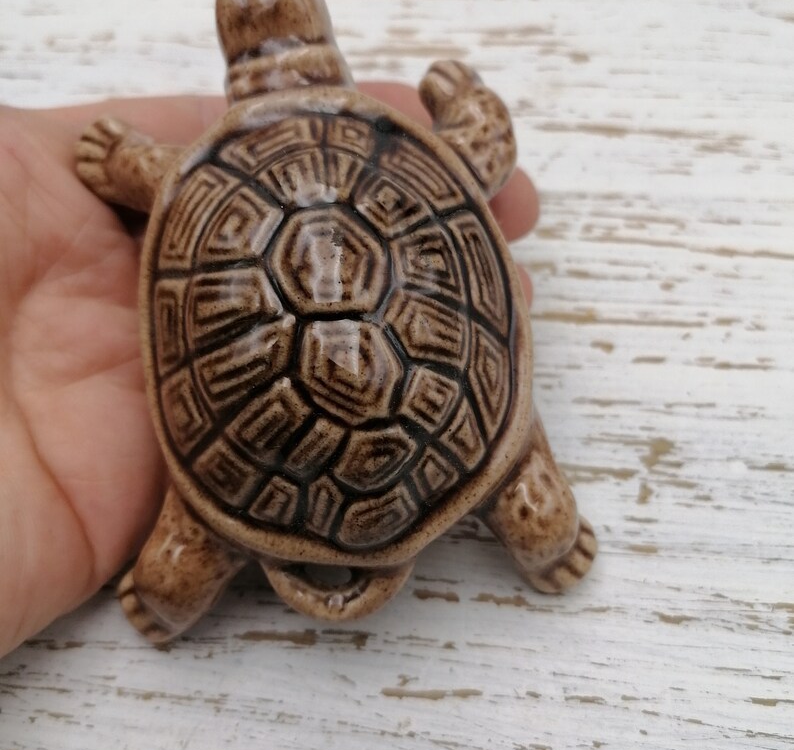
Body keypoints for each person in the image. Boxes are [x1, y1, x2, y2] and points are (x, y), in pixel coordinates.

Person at [0, 84, 539, 659]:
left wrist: (120, 161)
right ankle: (544, 536)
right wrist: (473, 115)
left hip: (251, 481)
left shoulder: (198, 175)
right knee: (527, 494)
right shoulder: (387, 148)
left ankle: (168, 599)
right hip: (460, 441)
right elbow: (478, 155)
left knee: (172, 580)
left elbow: (150, 175)